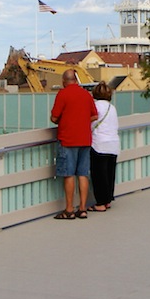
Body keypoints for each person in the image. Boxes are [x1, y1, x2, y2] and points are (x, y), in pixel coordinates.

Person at [49, 68, 97, 219]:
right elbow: (94, 115)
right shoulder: (86, 94)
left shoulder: (62, 94)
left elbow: (54, 118)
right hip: (85, 139)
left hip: (68, 139)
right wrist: (82, 122)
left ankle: (69, 209)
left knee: (68, 174)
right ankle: (82, 208)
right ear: (76, 80)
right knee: (83, 174)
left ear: (64, 81)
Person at [88, 81, 120, 212]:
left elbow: (90, 122)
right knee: (109, 173)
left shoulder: (95, 106)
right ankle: (107, 200)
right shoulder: (112, 108)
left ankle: (100, 202)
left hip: (99, 143)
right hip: (113, 143)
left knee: (98, 175)